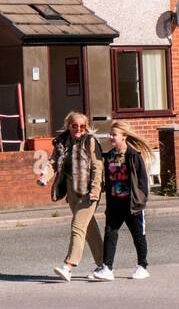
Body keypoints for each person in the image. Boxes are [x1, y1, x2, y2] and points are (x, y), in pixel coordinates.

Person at [41, 112, 105, 281]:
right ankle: (104, 264)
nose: (78, 129)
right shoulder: (62, 142)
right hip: (72, 191)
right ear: (68, 126)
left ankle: (69, 266)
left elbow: (97, 167)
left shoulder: (90, 141)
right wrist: (44, 177)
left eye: (82, 126)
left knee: (77, 226)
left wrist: (95, 189)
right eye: (75, 125)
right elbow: (53, 163)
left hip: (88, 191)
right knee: (89, 229)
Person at [91, 120, 151, 281]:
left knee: (138, 235)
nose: (111, 137)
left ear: (124, 136)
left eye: (114, 135)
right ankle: (107, 269)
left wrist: (140, 201)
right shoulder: (110, 156)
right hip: (115, 204)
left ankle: (142, 266)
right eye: (110, 134)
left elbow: (143, 181)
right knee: (110, 235)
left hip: (131, 204)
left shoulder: (133, 155)